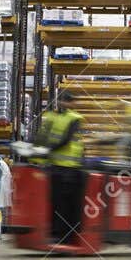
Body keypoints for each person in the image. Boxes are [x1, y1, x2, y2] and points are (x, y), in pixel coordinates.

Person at [33, 90, 87, 245]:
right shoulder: (51, 116)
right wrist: (31, 150)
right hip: (56, 167)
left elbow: (66, 139)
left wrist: (46, 150)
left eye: (67, 101)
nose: (65, 104)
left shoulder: (75, 118)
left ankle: (65, 237)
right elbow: (41, 137)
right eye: (63, 100)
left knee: (65, 204)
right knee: (56, 203)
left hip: (70, 169)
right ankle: (56, 234)